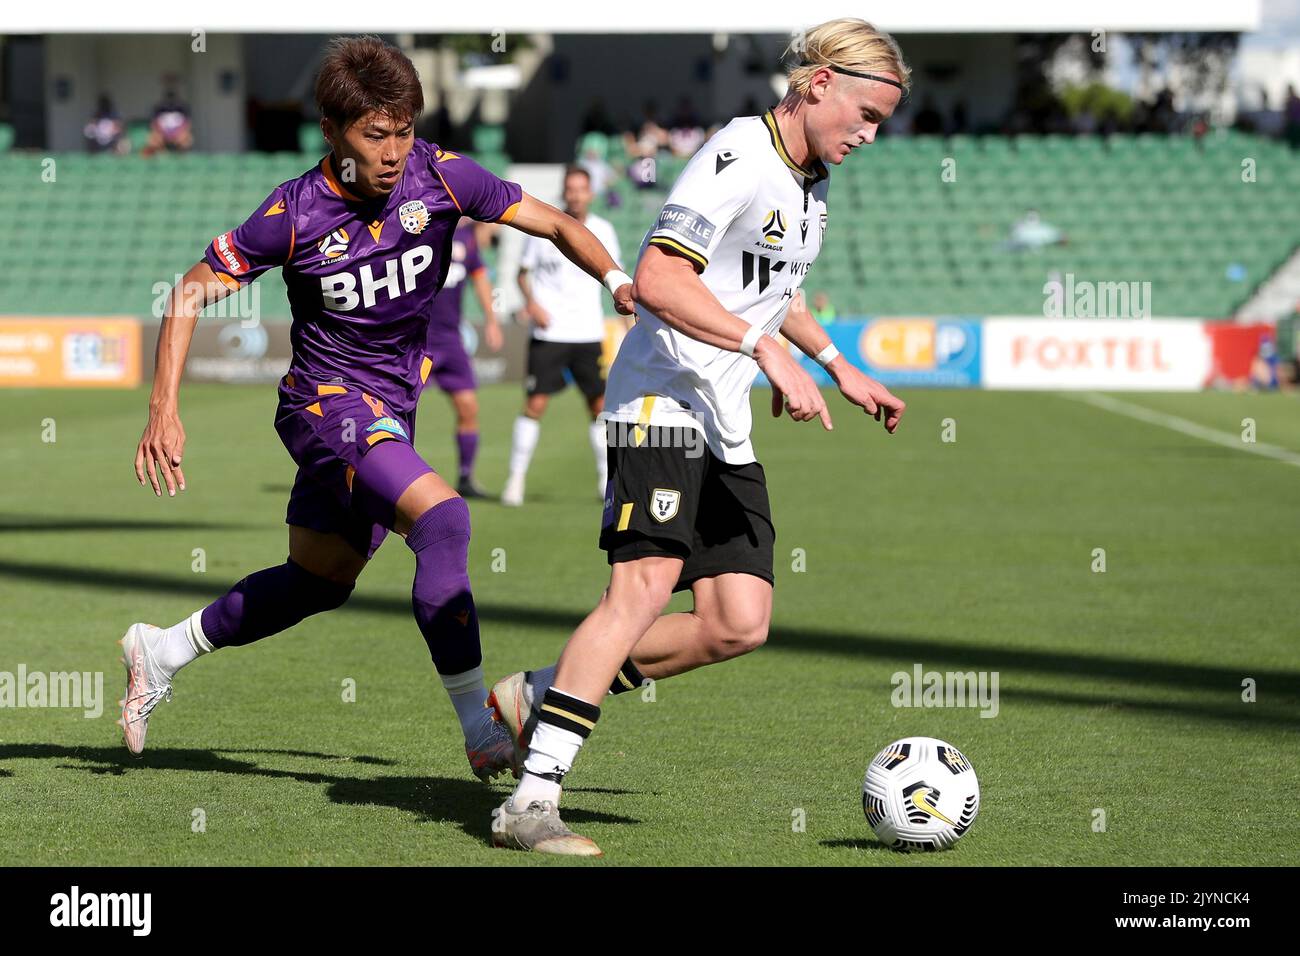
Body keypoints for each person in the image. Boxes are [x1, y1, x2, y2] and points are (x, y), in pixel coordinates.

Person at [123, 36, 634, 784]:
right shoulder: (293, 213)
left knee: (320, 580)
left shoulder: (444, 176)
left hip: (391, 405)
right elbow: (189, 291)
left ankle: (160, 648)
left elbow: (557, 223)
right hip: (324, 403)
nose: (393, 152)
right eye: (374, 135)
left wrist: (618, 281)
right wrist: (163, 409)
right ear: (332, 132)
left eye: (403, 130)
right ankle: (480, 725)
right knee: (444, 520)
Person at [485, 17, 908, 855]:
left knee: (736, 622)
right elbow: (657, 276)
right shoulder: (740, 153)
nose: (868, 134)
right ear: (820, 83)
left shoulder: (813, 183)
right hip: (660, 402)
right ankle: (530, 802)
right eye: (865, 114)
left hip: (723, 420)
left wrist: (837, 366)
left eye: (880, 124)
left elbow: (775, 292)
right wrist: (762, 351)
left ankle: (539, 693)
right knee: (641, 591)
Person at [502, 165, 624, 506]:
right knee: (535, 403)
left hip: (588, 332)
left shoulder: (604, 230)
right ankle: (515, 480)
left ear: (591, 193)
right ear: (564, 191)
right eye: (570, 189)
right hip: (550, 332)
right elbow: (522, 274)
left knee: (598, 406)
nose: (576, 195)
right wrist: (532, 304)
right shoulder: (544, 226)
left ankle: (605, 480)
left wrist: (626, 324)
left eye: (581, 189)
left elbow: (614, 274)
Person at [420, 217, 503, 497]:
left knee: (468, 408)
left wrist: (492, 320)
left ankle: (466, 478)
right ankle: (388, 478)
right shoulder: (421, 229)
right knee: (399, 410)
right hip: (417, 338)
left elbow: (479, 278)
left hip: (451, 339)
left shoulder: (467, 239)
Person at [142, 88, 193, 155]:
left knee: (186, 139)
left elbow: (187, 124)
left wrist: (178, 133)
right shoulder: (159, 107)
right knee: (153, 139)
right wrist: (161, 133)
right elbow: (154, 124)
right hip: (162, 134)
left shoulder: (182, 107)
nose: (171, 101)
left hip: (178, 133)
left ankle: (181, 155)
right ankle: (162, 155)